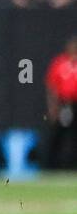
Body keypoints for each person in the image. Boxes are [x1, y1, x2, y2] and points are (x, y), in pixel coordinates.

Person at [45, 37, 77, 169]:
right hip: (65, 104)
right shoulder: (60, 63)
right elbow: (52, 87)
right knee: (58, 135)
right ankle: (51, 166)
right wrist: (53, 107)